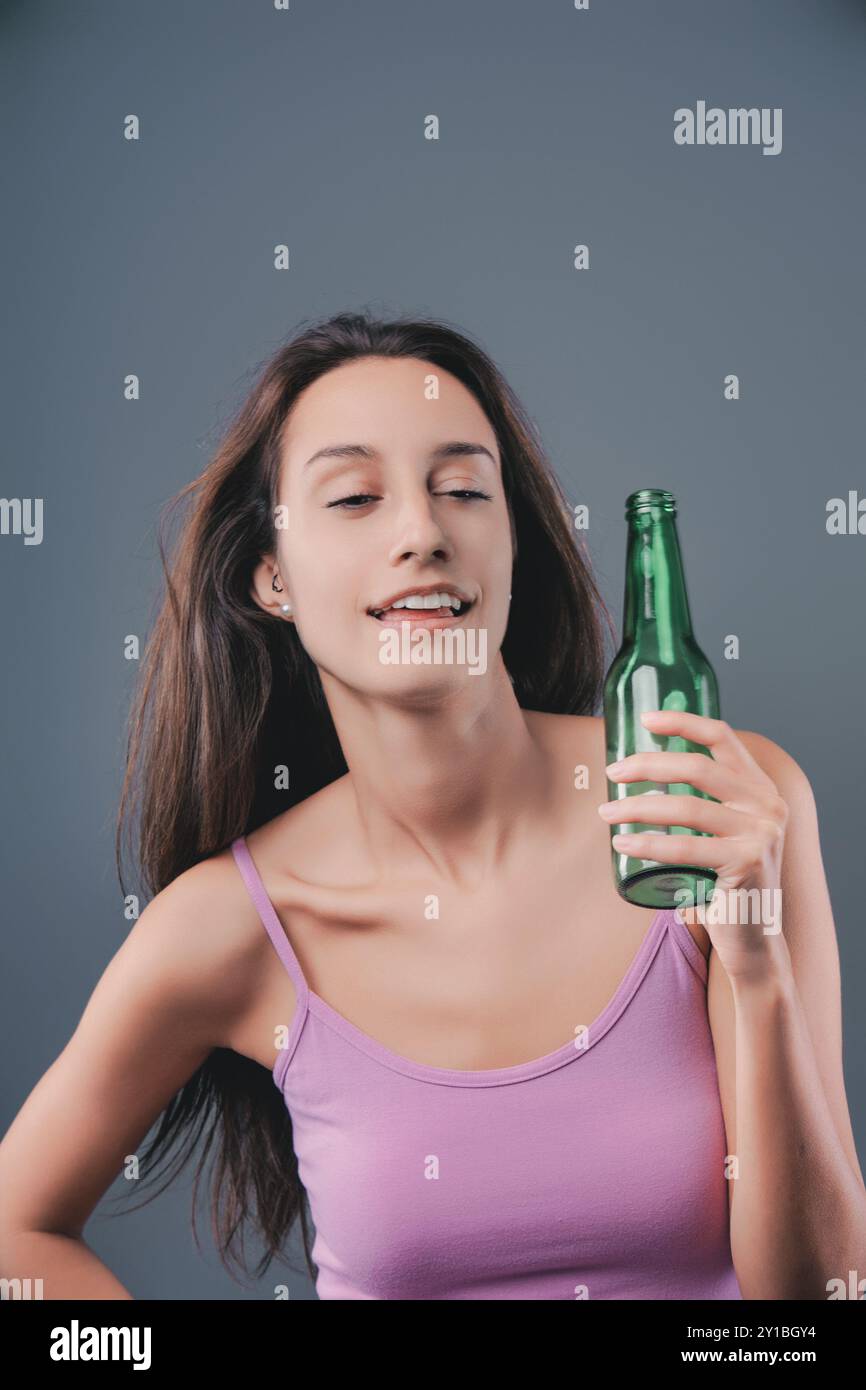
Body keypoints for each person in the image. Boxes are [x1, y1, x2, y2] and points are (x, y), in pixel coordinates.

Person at [1, 311, 864, 1300]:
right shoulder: (234, 922)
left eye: (461, 489)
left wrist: (753, 962)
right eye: (354, 497)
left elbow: (817, 1304)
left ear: (510, 541)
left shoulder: (716, 806)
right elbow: (15, 1232)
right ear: (272, 576)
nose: (420, 532)